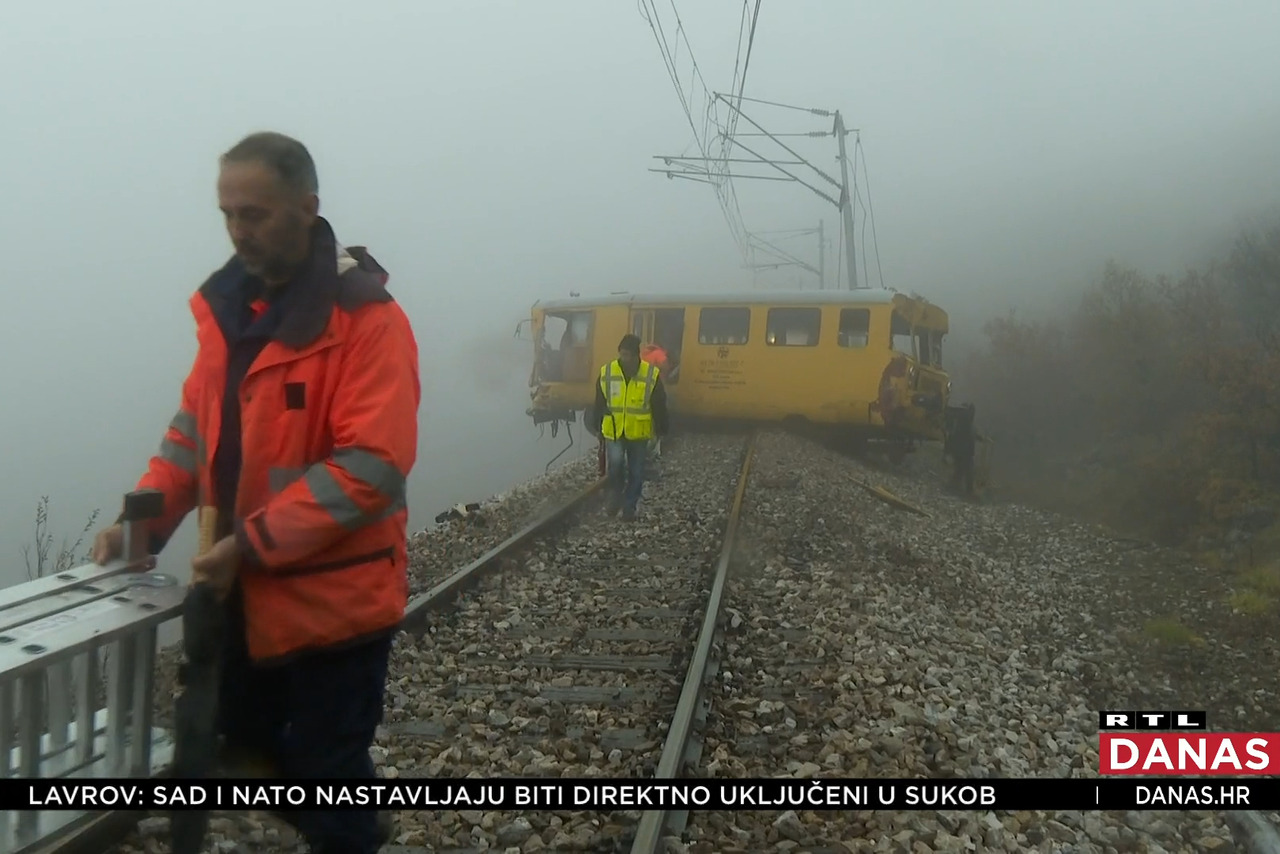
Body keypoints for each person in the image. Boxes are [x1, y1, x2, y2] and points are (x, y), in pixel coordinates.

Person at [90, 131, 419, 854]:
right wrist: (141, 521)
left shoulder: (367, 322)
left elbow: (372, 465)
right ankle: (354, 826)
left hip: (336, 603)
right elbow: (190, 436)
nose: (239, 231)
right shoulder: (228, 314)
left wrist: (253, 544)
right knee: (245, 743)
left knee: (330, 771)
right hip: (243, 594)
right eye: (228, 214)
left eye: (256, 213)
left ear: (308, 208)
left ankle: (349, 829)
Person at [590, 334, 668, 521]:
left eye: (628, 355)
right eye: (622, 354)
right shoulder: (608, 372)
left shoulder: (650, 375)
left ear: (636, 355)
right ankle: (615, 497)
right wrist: (597, 424)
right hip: (615, 430)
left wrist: (661, 427)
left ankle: (629, 507)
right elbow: (599, 401)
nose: (624, 359)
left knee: (636, 471)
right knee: (615, 466)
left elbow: (659, 403)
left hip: (638, 432)